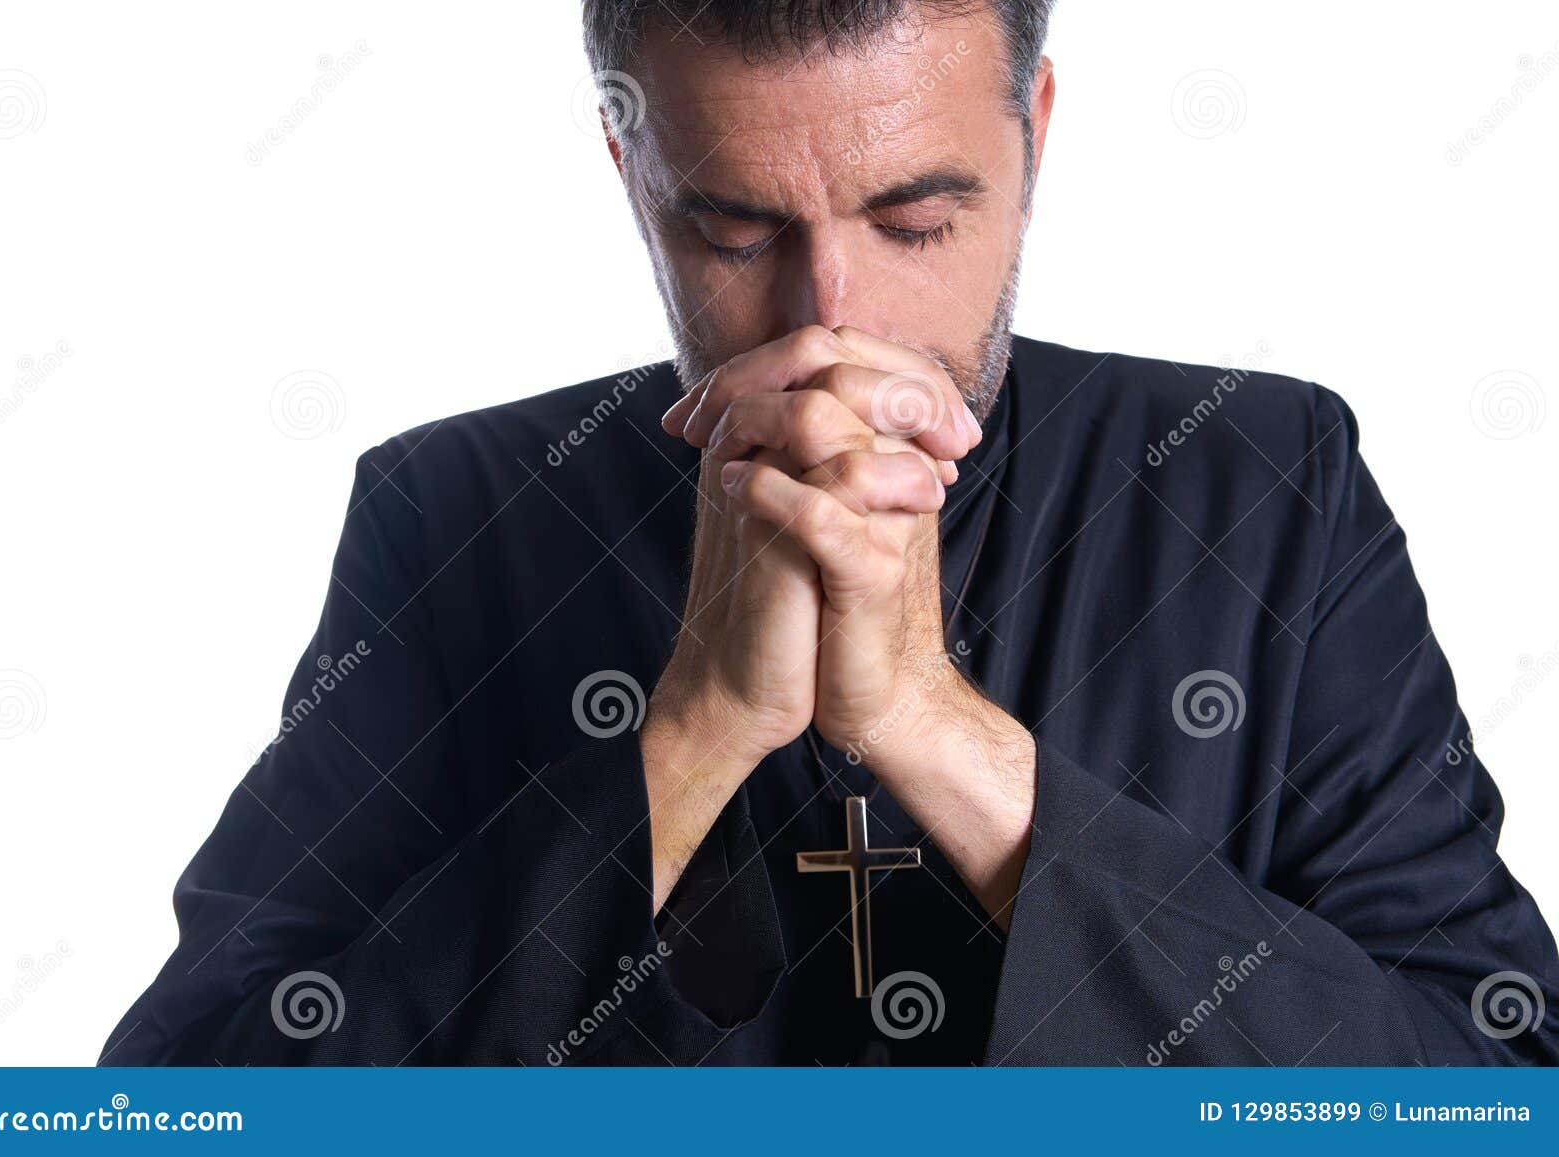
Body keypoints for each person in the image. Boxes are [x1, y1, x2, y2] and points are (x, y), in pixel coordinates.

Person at [102, 1, 1557, 1065]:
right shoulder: (456, 513)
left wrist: (939, 735)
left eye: (916, 220)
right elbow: (199, 1100)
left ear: (1034, 130)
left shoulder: (1264, 481)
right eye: (733, 233)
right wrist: (689, 738)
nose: (827, 323)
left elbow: (1491, 1084)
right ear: (627, 159)